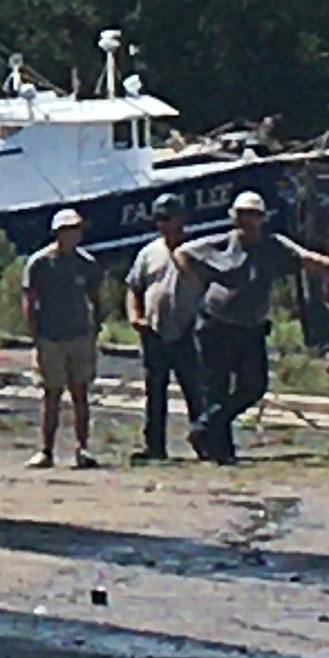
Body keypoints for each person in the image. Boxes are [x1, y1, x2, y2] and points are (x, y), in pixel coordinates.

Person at [183, 191, 329, 464]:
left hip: (250, 326)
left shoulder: (274, 245)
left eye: (253, 215)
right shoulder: (221, 244)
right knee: (216, 387)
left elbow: (308, 258)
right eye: (242, 215)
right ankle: (220, 450)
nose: (248, 221)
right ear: (233, 217)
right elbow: (183, 254)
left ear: (262, 218)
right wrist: (199, 286)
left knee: (253, 386)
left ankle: (204, 427)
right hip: (216, 324)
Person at [126, 193, 204, 463]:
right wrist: (135, 316)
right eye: (158, 218)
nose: (162, 224)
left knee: (195, 390)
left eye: (167, 218)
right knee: (155, 393)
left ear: (181, 218)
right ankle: (155, 447)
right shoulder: (148, 252)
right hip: (154, 332)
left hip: (189, 331)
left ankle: (204, 443)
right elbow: (134, 286)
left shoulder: (198, 248)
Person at [22, 207, 103, 468]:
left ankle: (82, 448)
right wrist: (34, 332)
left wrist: (95, 328)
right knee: (51, 394)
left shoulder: (86, 263)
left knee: (80, 393)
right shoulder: (40, 262)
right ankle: (46, 450)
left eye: (76, 230)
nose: (73, 235)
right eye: (68, 230)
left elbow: (96, 298)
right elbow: (30, 298)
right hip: (50, 335)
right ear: (57, 232)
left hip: (78, 334)